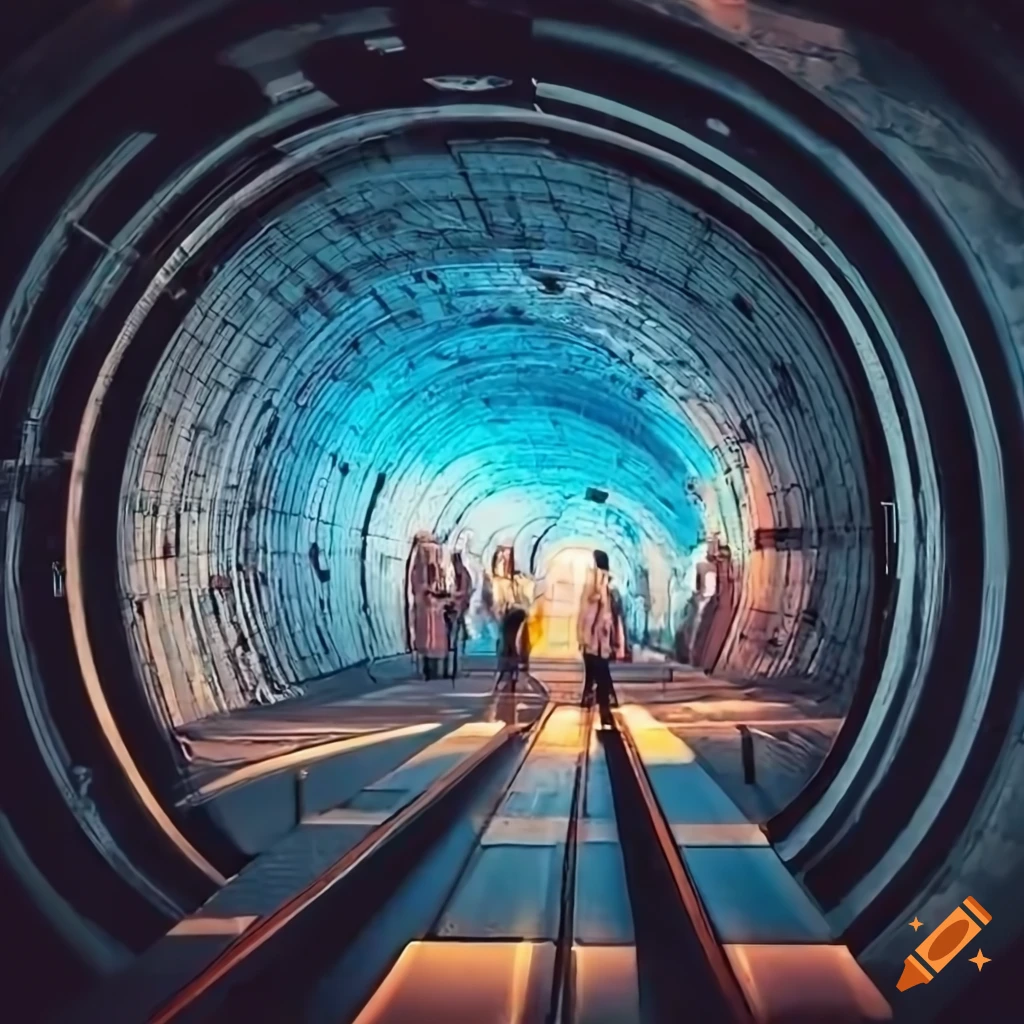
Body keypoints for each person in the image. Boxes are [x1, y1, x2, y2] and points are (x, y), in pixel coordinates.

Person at [577, 549, 625, 728]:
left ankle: (601, 704)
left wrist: (586, 634)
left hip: (595, 636)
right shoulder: (602, 580)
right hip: (596, 636)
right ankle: (602, 704)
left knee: (598, 670)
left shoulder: (597, 580)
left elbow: (594, 609)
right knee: (599, 670)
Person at [445, 551, 473, 681]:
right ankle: (455, 669)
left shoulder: (462, 575)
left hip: (459, 608)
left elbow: (463, 591)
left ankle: (456, 669)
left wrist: (452, 595)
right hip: (460, 608)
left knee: (456, 640)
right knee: (456, 640)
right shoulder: (462, 574)